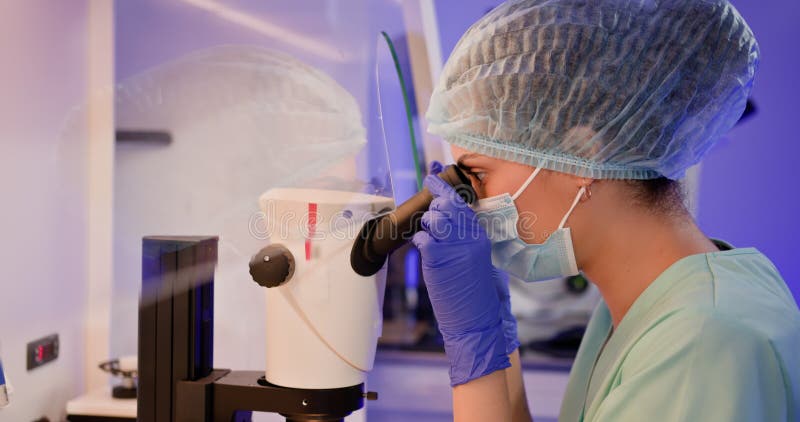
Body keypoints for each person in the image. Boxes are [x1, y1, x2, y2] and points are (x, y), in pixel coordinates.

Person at [412, 0, 800, 421]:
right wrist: (491, 336)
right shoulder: (645, 307)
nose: (471, 203)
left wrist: (472, 343)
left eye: (478, 175)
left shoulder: (701, 346)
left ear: (578, 157)